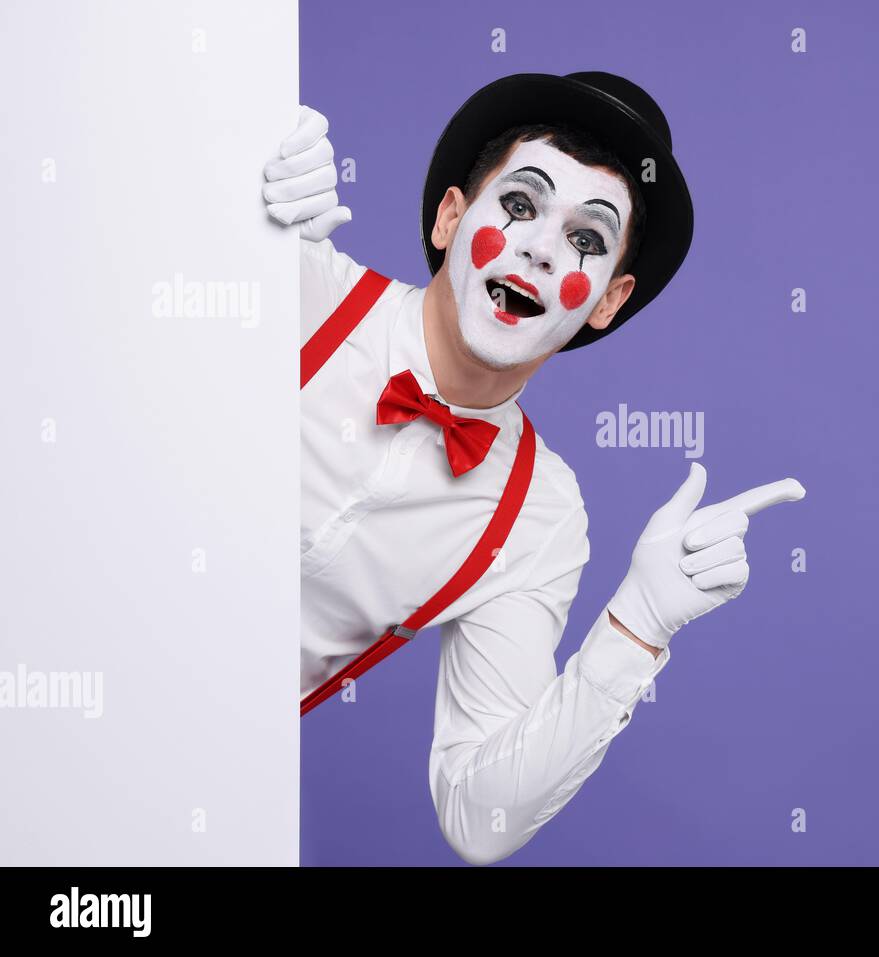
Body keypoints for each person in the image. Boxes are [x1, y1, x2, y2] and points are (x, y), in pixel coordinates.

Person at [265, 72, 806, 865]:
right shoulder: (299, 285)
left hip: (206, 791)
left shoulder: (537, 514)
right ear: (451, 216)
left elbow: (477, 819)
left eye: (587, 238)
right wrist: (230, 185)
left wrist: (637, 627)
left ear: (607, 301)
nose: (542, 248)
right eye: (519, 205)